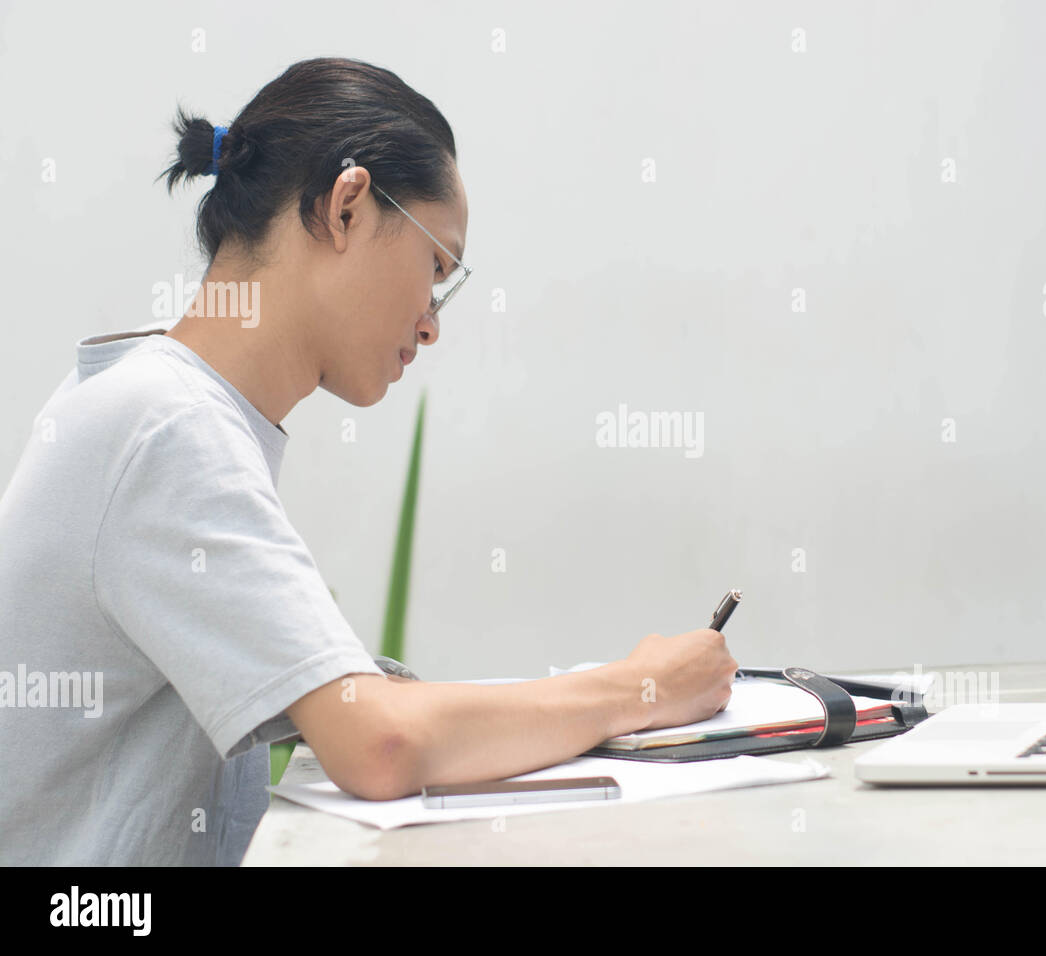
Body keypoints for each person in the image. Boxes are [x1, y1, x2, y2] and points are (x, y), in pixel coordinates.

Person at [0, 56, 738, 866]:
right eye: (436, 269)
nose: (431, 325)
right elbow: (376, 745)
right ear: (346, 207)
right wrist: (641, 689)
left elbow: (359, 710)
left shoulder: (148, 401)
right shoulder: (164, 426)